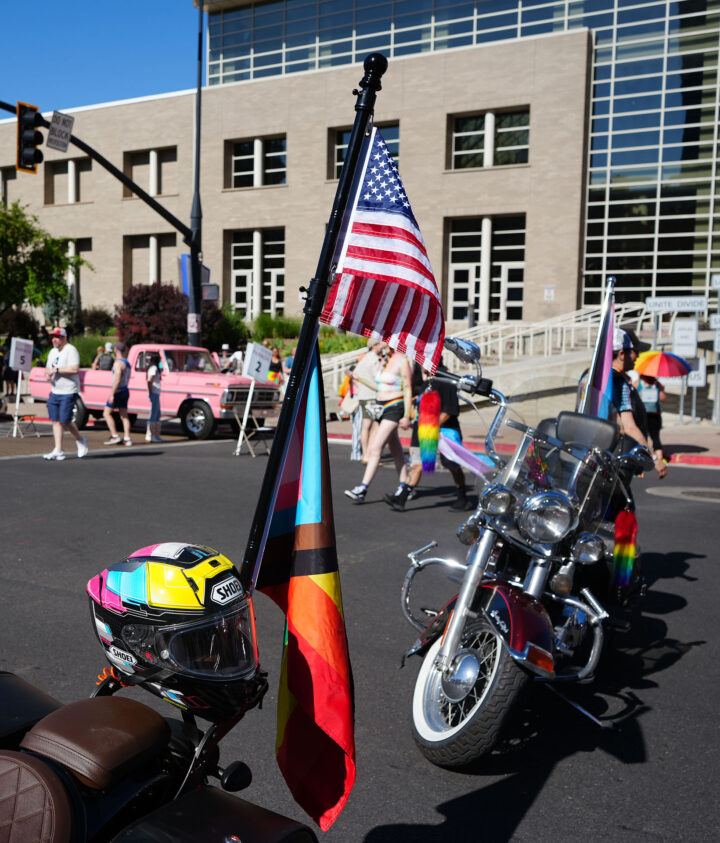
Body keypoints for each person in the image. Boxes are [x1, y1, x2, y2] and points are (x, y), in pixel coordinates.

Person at [385, 361, 473, 512]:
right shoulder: (430, 381)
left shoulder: (446, 381)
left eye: (422, 362)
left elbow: (450, 410)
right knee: (418, 464)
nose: (420, 365)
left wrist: (432, 427)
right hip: (426, 432)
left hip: (445, 432)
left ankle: (463, 498)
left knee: (452, 466)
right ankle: (401, 498)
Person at [345, 348, 412, 502]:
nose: (384, 344)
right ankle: (405, 485)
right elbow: (379, 387)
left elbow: (408, 388)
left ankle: (362, 488)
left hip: (395, 406)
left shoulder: (403, 360)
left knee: (375, 447)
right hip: (382, 406)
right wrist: (358, 379)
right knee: (396, 449)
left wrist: (407, 415)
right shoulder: (384, 360)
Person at [611, 328, 667, 486]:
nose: (637, 357)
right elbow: (628, 427)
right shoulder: (618, 381)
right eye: (635, 352)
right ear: (622, 354)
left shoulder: (592, 377)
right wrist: (654, 458)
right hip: (614, 462)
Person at [42, 327, 88, 461]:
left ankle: (80, 440)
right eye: (53, 337)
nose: (54, 340)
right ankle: (58, 450)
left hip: (69, 391)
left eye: (57, 337)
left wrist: (56, 370)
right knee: (56, 420)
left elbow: (74, 369)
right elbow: (48, 368)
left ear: (64, 338)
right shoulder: (52, 352)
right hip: (55, 391)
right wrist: (47, 375)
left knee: (65, 420)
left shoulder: (71, 350)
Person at [351, 338, 385, 462]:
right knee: (375, 425)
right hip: (372, 396)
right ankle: (370, 454)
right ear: (375, 345)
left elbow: (354, 376)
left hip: (363, 396)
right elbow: (380, 378)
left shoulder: (364, 358)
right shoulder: (375, 360)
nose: (383, 345)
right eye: (381, 343)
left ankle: (365, 454)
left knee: (366, 426)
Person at [103, 342, 133, 446]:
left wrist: (112, 393)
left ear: (115, 349)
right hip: (125, 389)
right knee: (124, 415)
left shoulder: (118, 363)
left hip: (118, 391)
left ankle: (114, 435)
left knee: (106, 413)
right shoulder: (127, 363)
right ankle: (127, 438)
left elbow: (118, 378)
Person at [636, 373, 665, 458]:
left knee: (642, 437)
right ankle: (659, 458)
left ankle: (643, 457)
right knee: (655, 437)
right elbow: (663, 398)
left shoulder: (638, 383)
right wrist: (661, 389)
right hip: (655, 414)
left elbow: (633, 397)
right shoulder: (657, 384)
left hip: (642, 414)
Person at [145, 352, 164, 443]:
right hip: (154, 393)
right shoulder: (153, 368)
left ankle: (156, 435)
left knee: (157, 414)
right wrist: (151, 392)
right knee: (154, 414)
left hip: (156, 392)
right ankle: (151, 435)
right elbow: (149, 381)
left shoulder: (155, 368)